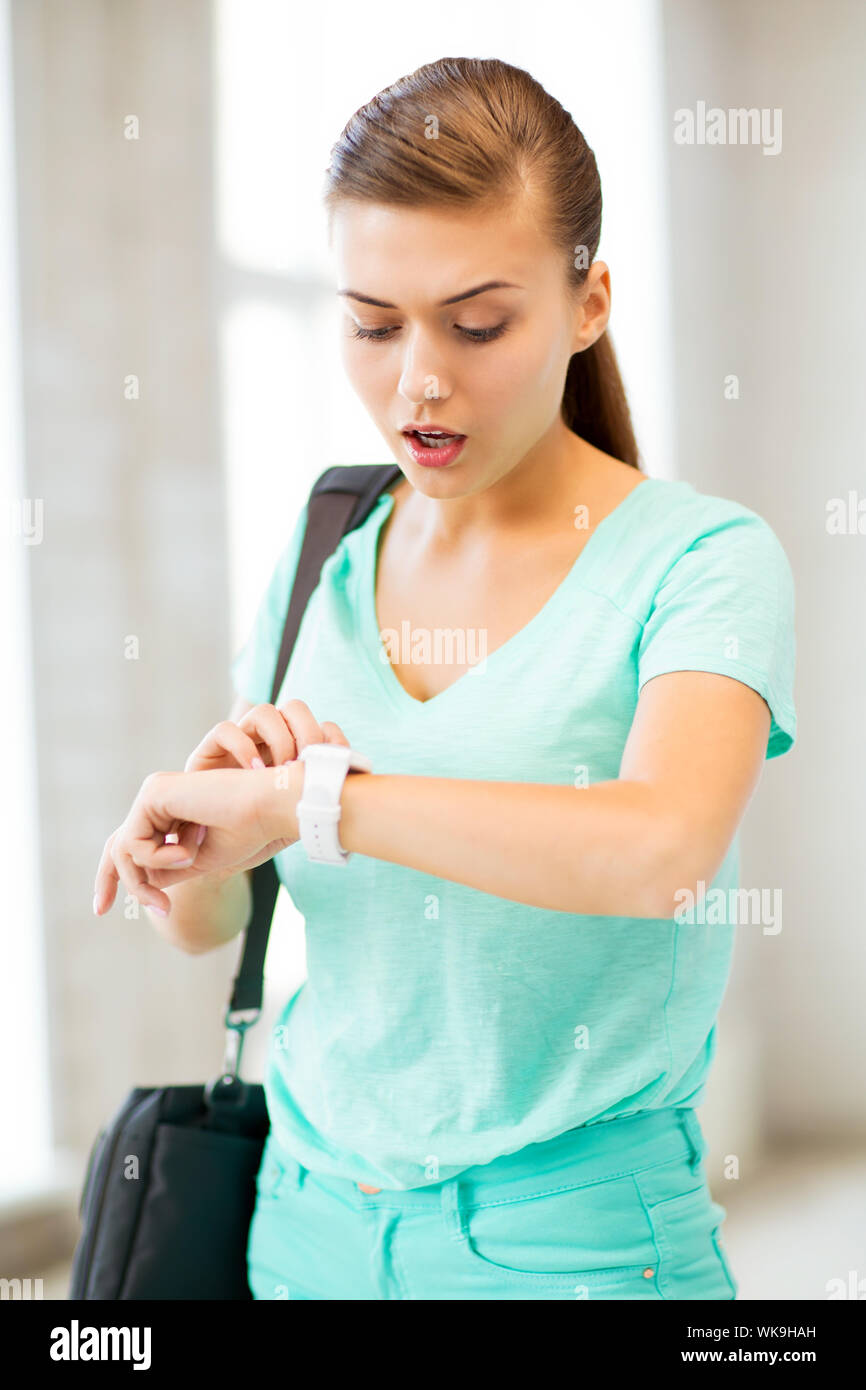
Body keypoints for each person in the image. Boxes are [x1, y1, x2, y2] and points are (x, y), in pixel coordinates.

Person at [93, 57, 797, 1300]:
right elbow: (220, 928)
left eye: (476, 324)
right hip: (300, 1226)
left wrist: (318, 803)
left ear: (588, 304)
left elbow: (658, 850)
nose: (417, 378)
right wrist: (193, 852)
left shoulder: (700, 559)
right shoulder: (324, 547)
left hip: (569, 1245)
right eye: (372, 323)